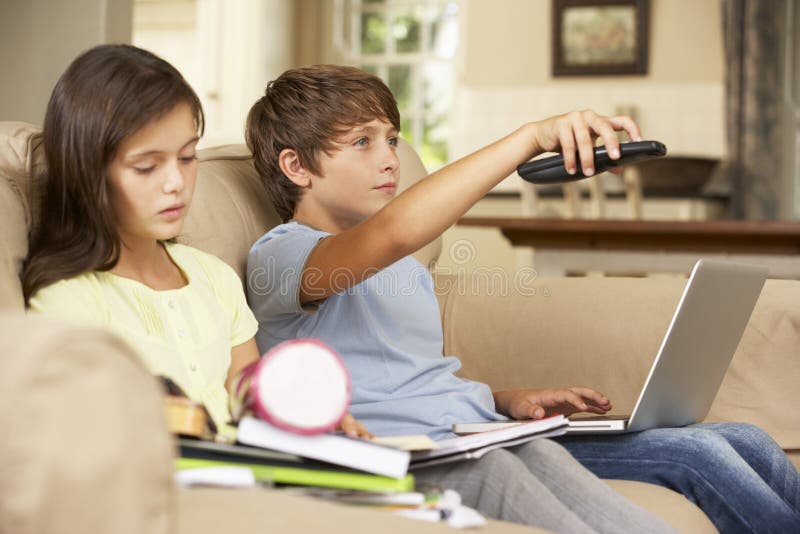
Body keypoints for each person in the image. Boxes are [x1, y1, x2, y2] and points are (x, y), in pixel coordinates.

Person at [244, 65, 800, 533]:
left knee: (742, 437)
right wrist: (529, 139)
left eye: (391, 139)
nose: (390, 158)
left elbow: (401, 376)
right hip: (430, 452)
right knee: (696, 456)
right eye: (362, 142)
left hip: (481, 427)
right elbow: (393, 233)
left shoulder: (404, 272)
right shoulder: (284, 258)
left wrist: (505, 398)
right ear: (297, 167)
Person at [22, 45, 368, 442]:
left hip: (254, 474)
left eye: (187, 158)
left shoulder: (214, 277)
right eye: (147, 166)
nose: (177, 184)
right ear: (87, 173)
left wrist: (309, 418)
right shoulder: (67, 300)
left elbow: (248, 399)